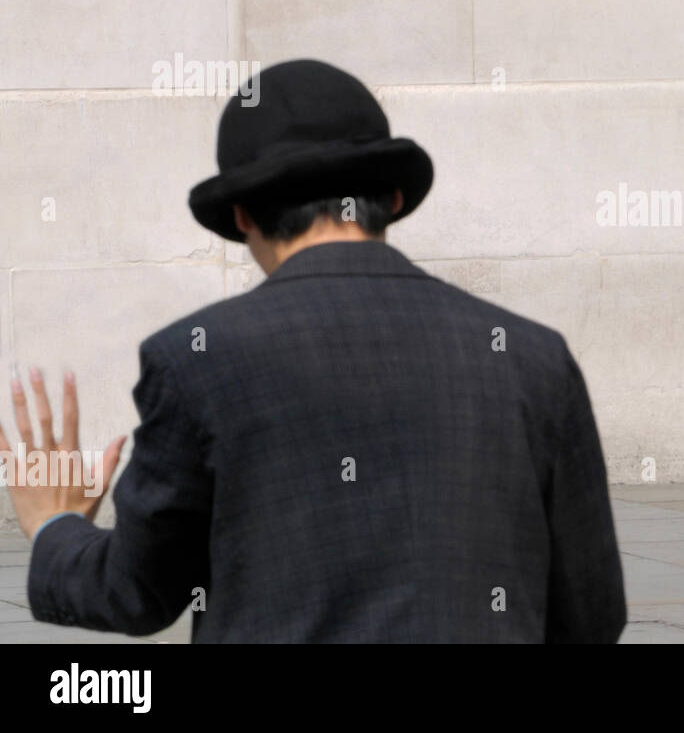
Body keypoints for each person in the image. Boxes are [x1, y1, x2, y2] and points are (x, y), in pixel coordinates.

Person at [3, 59, 626, 643]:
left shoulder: (196, 359)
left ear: (242, 214)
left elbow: (137, 591)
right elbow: (592, 610)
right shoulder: (534, 357)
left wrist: (55, 526)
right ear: (396, 200)